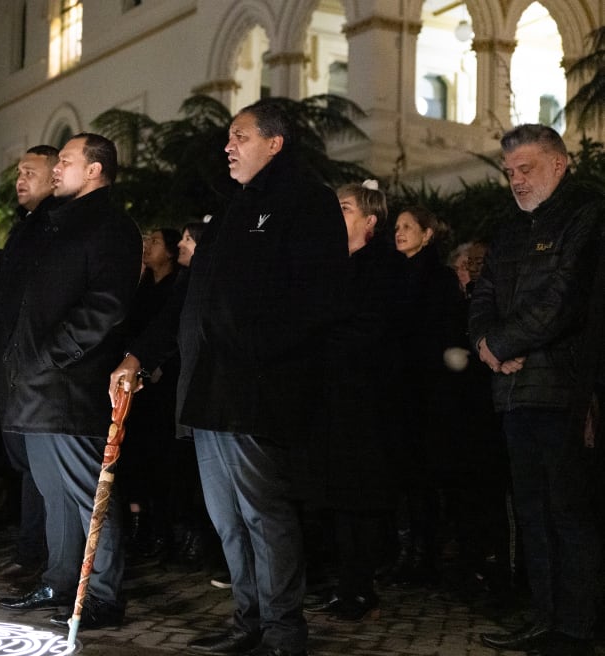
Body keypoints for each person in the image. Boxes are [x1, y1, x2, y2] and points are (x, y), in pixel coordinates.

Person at [113, 100, 349, 656]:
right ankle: (249, 623)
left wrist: (256, 350)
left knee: (264, 516)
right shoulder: (233, 210)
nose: (228, 146)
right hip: (209, 391)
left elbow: (320, 301)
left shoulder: (307, 202)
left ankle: (284, 632)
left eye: (239, 135)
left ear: (275, 143)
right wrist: (139, 356)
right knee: (229, 521)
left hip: (259, 392)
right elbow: (186, 301)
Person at [0, 133, 142, 630]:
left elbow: (105, 307)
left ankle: (102, 595)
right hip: (35, 384)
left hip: (70, 386)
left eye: (66, 162)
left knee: (88, 493)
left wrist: (48, 356)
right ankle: (59, 577)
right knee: (54, 493)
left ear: (95, 170)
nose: (56, 169)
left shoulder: (111, 225)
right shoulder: (53, 223)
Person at [471, 124, 603, 656]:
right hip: (514, 392)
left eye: (526, 169)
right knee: (531, 512)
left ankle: (576, 627)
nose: (517, 180)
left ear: (559, 163)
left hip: (566, 390)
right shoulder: (509, 230)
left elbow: (563, 300)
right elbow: (483, 292)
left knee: (570, 511)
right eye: (509, 173)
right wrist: (484, 343)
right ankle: (545, 617)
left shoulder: (587, 215)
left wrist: (499, 342)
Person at [305, 181, 405, 623]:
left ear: (370, 221)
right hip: (330, 396)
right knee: (336, 495)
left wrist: (321, 340)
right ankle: (342, 581)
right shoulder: (330, 266)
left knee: (360, 495)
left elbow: (374, 331)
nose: (333, 216)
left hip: (367, 399)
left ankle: (358, 586)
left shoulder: (382, 268)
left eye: (343, 208)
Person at [0, 145, 59, 585]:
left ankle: (40, 558)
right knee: (23, 467)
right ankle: (27, 553)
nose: (20, 179)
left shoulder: (54, 224)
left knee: (38, 469)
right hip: (9, 369)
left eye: (31, 172)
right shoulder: (28, 225)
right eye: (19, 172)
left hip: (31, 369)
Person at [390, 206, 467, 588]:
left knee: (426, 476)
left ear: (427, 234)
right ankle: (409, 552)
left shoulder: (439, 278)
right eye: (397, 227)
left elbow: (446, 331)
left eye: (408, 227)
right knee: (404, 478)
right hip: (399, 389)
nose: (399, 232)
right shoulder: (392, 274)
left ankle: (426, 554)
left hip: (428, 391)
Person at [118, 226, 182, 559]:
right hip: (135, 385)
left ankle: (163, 528)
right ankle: (137, 522)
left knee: (161, 457)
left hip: (162, 385)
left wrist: (154, 365)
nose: (148, 246)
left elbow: (171, 332)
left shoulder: (177, 287)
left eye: (155, 242)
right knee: (134, 455)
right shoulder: (142, 287)